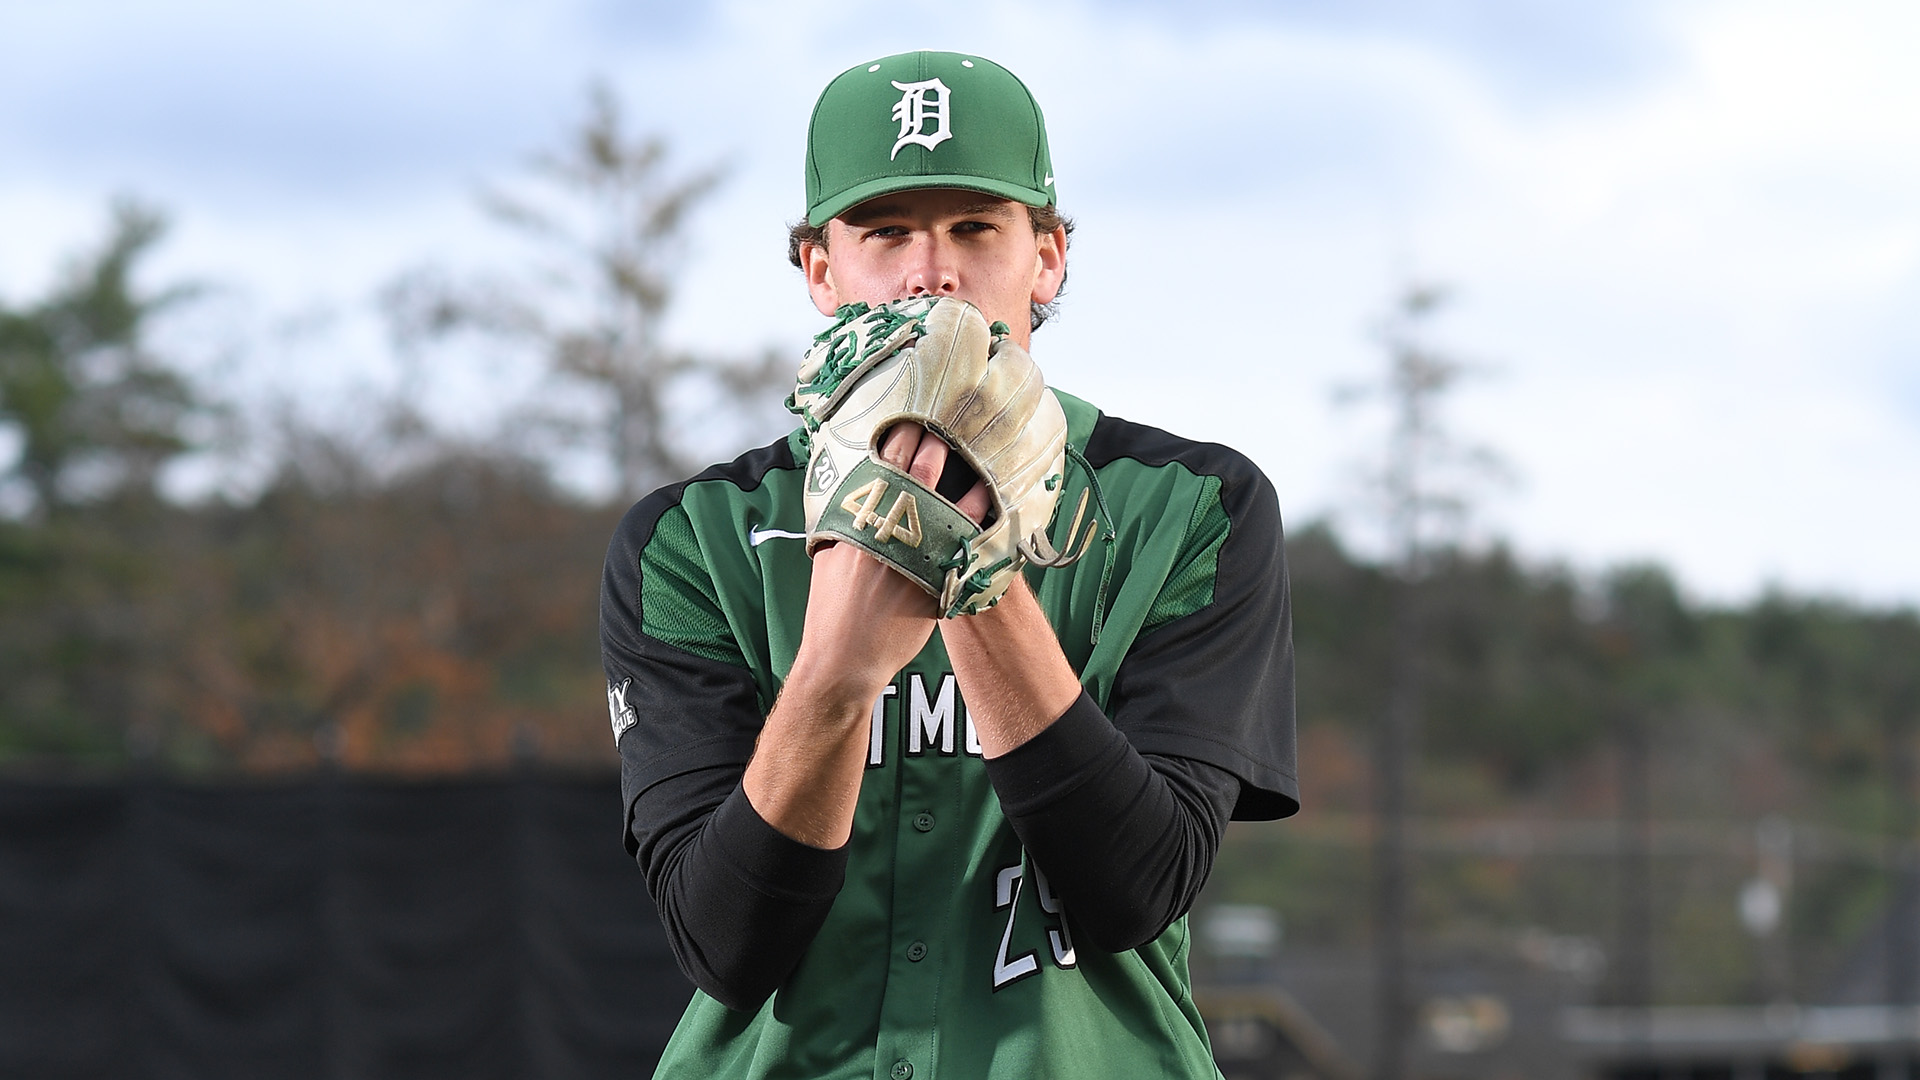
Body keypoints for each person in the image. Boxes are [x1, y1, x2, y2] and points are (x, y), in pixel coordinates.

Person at [601, 50, 1298, 1080]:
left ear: (1048, 258)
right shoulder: (695, 536)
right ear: (822, 272)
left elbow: (1137, 890)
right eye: (886, 232)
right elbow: (726, 945)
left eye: (977, 227)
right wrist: (835, 676)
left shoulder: (1192, 507)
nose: (932, 272)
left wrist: (969, 571)